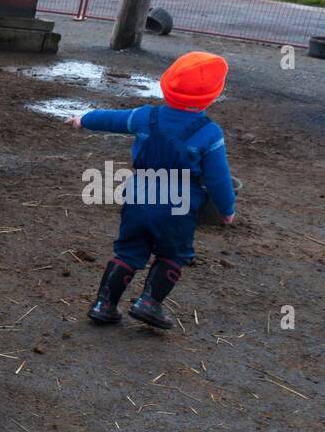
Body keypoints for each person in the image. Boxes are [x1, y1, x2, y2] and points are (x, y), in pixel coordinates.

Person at [70, 51, 236, 330]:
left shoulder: (146, 116)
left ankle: (104, 305)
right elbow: (219, 179)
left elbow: (111, 119)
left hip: (138, 195)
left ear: (167, 83)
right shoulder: (210, 133)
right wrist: (226, 209)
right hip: (178, 203)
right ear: (212, 96)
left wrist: (83, 118)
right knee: (173, 253)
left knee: (128, 251)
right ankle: (149, 303)